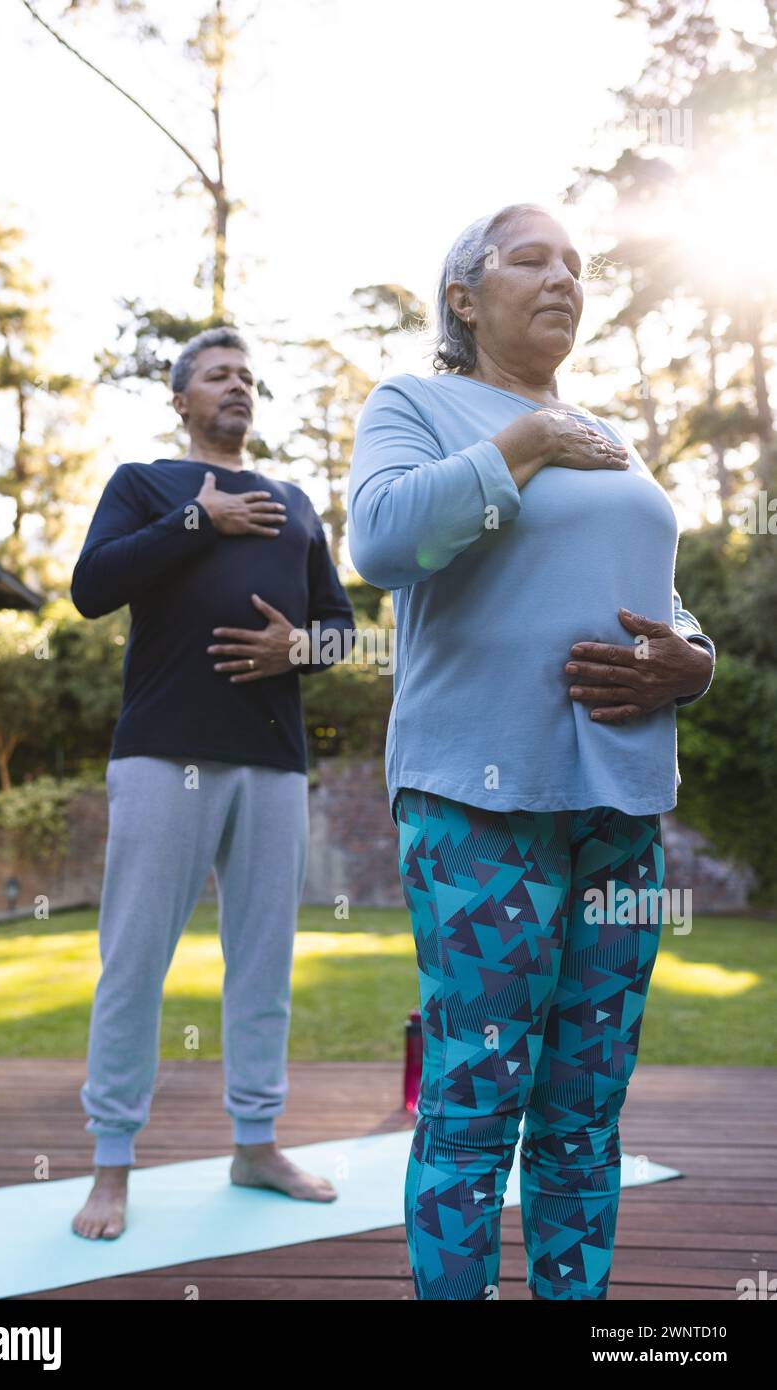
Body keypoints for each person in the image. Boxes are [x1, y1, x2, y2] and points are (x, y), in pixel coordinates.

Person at [346, 204, 716, 1301]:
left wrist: (695, 661)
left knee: (586, 1111)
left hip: (621, 807)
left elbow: (669, 601)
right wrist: (525, 441)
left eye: (576, 264)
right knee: (473, 1106)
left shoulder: (609, 434)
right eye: (531, 259)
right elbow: (381, 540)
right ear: (464, 295)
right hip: (478, 804)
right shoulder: (415, 403)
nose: (564, 278)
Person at [70, 327, 354, 1239]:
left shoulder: (298, 503)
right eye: (218, 376)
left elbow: (342, 629)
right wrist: (199, 518)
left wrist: (294, 647)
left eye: (247, 377)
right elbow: (89, 587)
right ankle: (111, 1164)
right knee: (135, 960)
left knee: (262, 962)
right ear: (182, 399)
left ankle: (255, 1143)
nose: (238, 387)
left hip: (272, 762)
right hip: (162, 753)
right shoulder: (145, 485)